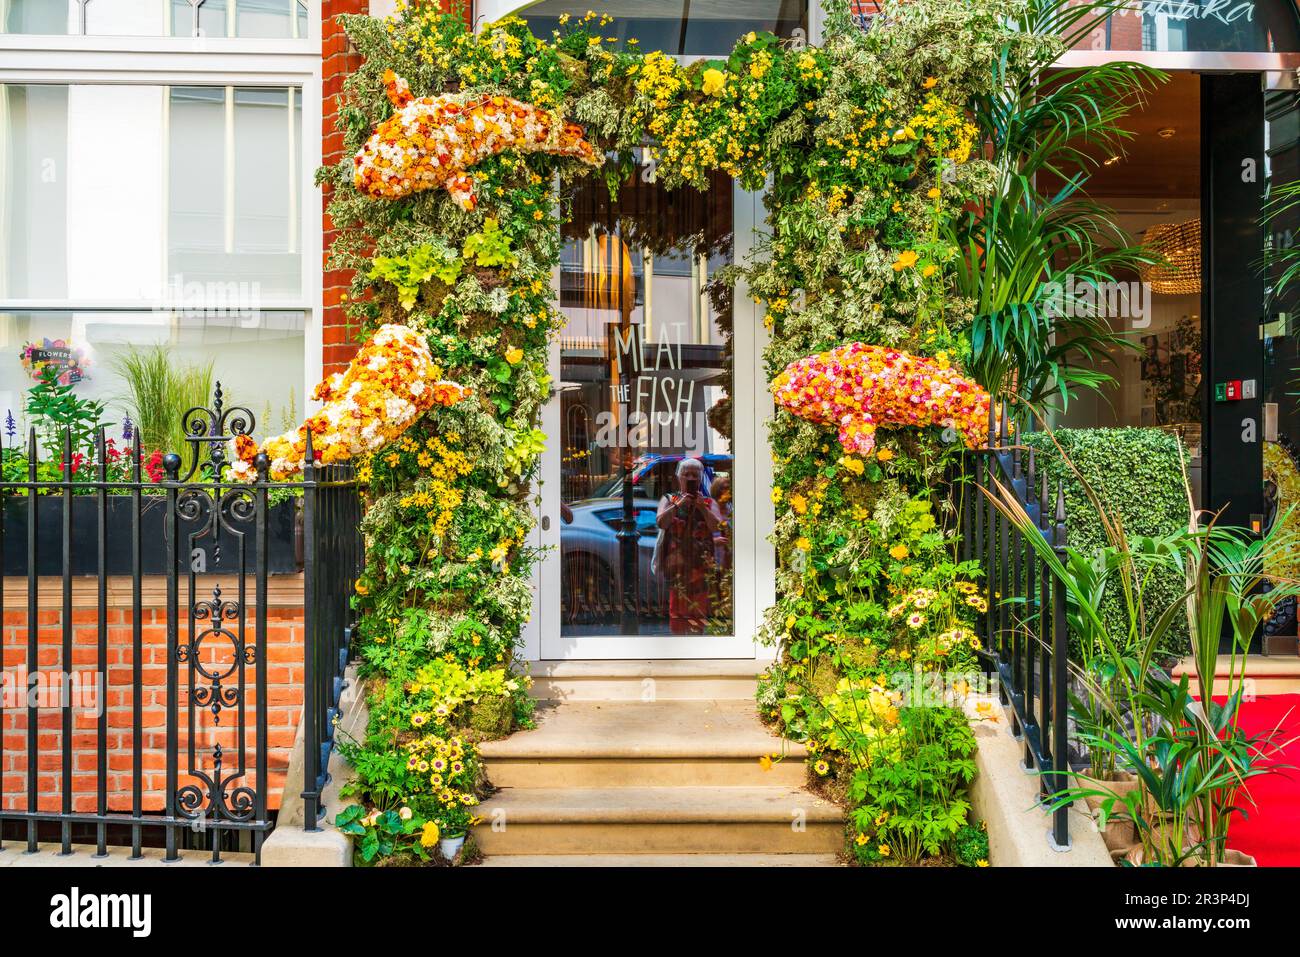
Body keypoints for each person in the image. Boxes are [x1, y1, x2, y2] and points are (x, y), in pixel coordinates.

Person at [656, 458, 721, 634]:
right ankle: (679, 644)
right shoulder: (670, 499)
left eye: (695, 475)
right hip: (677, 565)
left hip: (701, 566)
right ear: (679, 477)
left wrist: (702, 508)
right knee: (677, 610)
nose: (691, 478)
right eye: (686, 474)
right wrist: (678, 505)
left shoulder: (708, 502)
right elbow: (661, 522)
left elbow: (717, 527)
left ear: (700, 479)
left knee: (700, 611)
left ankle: (697, 645)